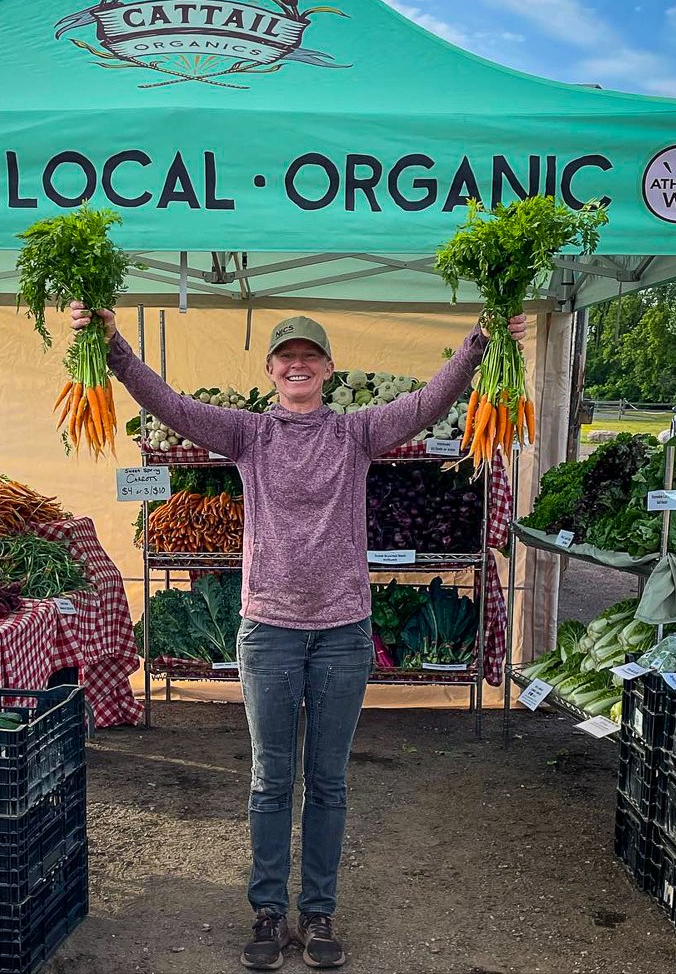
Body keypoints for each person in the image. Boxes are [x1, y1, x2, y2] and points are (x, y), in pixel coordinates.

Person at [71, 301, 528, 970]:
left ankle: (317, 914)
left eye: (309, 357)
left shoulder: (358, 433)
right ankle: (267, 911)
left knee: (328, 781)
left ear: (328, 369)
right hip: (269, 634)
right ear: (270, 369)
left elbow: (429, 402)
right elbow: (168, 405)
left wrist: (480, 341)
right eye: (287, 357)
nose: (297, 365)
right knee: (269, 780)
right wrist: (112, 346)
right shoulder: (247, 434)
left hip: (343, 632)